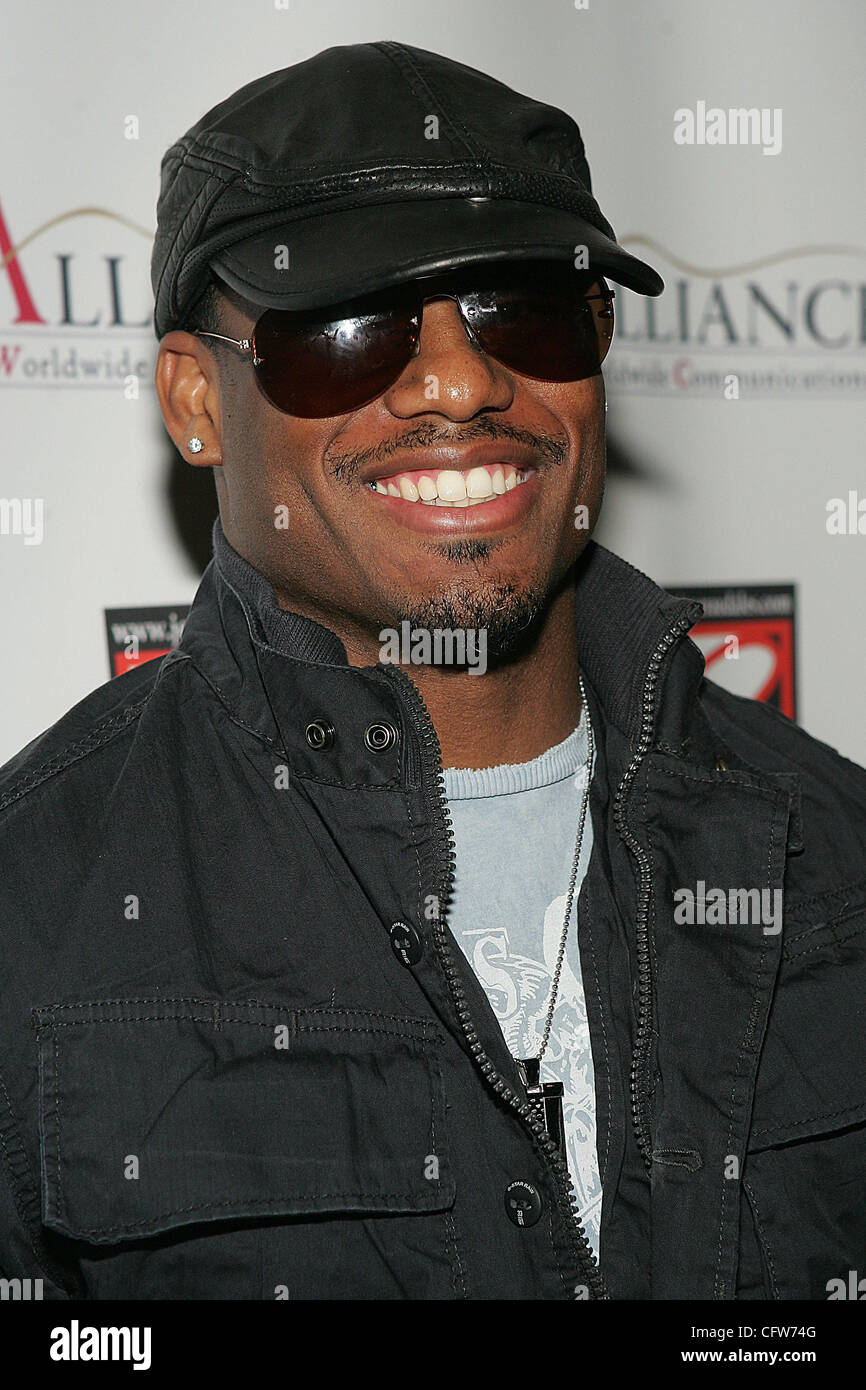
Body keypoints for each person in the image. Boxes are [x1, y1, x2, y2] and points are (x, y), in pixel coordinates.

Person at [1, 40, 864, 1302]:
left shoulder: (829, 852)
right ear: (194, 400)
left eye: (526, 305)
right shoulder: (37, 909)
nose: (461, 380)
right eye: (348, 328)